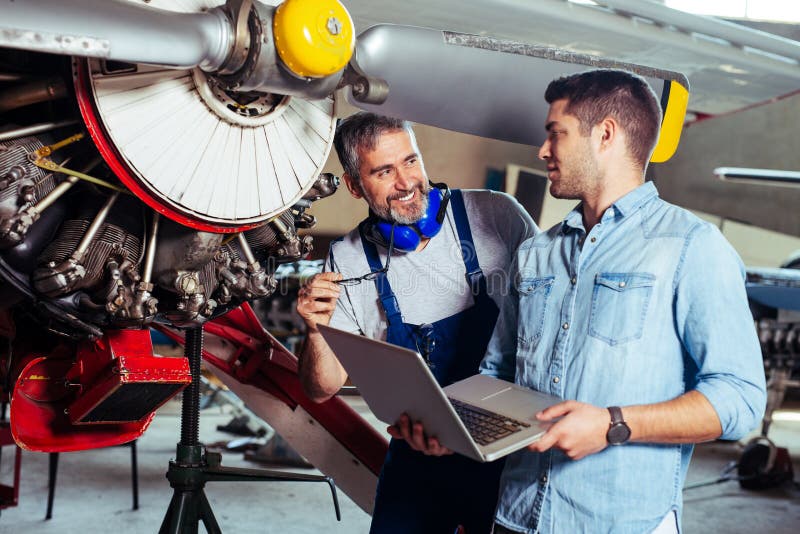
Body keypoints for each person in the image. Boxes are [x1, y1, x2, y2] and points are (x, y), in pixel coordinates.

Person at [471, 69, 766, 533]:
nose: (543, 150)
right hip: (517, 516)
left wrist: (612, 424)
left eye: (556, 134)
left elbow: (740, 400)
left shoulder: (690, 246)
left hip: (621, 522)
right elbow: (498, 375)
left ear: (604, 134)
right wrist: (449, 427)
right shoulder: (536, 253)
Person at [296, 111, 537, 533]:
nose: (406, 182)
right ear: (354, 185)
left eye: (411, 161)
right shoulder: (349, 258)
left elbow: (547, 319)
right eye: (384, 171)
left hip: (504, 444)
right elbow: (321, 389)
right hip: (416, 449)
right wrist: (315, 329)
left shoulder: (495, 214)